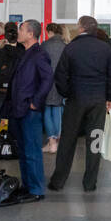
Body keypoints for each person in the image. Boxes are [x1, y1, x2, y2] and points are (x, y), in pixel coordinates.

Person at [48, 15, 111, 193]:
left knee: (68, 141)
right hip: (98, 101)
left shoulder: (71, 48)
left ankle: (58, 181)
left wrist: (67, 93)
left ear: (81, 28)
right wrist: (109, 98)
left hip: (76, 100)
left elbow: (60, 76)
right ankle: (90, 183)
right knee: (95, 140)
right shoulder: (106, 49)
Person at [6, 19, 52, 201]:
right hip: (19, 109)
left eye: (22, 29)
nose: (18, 32)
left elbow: (48, 79)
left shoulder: (39, 54)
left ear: (31, 34)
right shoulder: (25, 53)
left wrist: (35, 102)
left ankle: (36, 189)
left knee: (32, 150)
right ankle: (27, 186)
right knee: (24, 150)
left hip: (30, 110)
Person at [0, 21, 25, 156]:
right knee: (15, 119)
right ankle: (14, 147)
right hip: (16, 92)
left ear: (5, 35)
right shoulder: (23, 53)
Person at [41, 23, 67, 153]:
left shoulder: (44, 45)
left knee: (46, 110)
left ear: (50, 32)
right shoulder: (65, 46)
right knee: (57, 110)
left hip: (45, 82)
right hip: (60, 83)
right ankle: (56, 141)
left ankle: (51, 142)